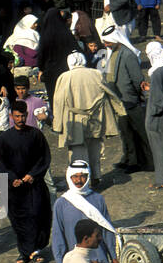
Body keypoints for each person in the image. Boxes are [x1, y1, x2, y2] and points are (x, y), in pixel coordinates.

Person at [0, 99, 54, 263]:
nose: (20, 119)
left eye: (22, 116)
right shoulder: (4, 138)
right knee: (18, 219)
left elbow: (44, 158)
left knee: (37, 215)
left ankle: (35, 250)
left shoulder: (36, 135)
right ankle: (26, 251)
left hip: (34, 185)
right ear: (11, 116)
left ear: (27, 115)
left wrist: (32, 174)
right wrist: (11, 177)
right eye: (17, 116)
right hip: (14, 188)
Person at [52, 51, 125, 185]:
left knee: (77, 152)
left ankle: (80, 180)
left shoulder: (65, 77)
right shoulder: (96, 74)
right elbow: (108, 94)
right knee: (95, 149)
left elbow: (58, 101)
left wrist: (57, 125)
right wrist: (117, 111)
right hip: (95, 118)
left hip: (74, 120)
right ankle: (96, 176)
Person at [102, 26, 152, 173]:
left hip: (130, 100)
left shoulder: (128, 55)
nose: (106, 45)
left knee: (141, 132)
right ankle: (130, 160)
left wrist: (137, 96)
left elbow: (137, 79)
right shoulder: (114, 53)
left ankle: (149, 162)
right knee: (126, 133)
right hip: (119, 102)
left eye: (107, 42)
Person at [142, 42, 163, 191]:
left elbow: (158, 102)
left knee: (159, 149)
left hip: (158, 118)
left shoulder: (157, 73)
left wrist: (151, 111)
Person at [35, 7, 79, 102]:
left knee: (53, 96)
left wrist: (41, 69)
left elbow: (42, 54)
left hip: (50, 71)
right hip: (66, 69)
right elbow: (76, 49)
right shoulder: (66, 33)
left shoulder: (45, 35)